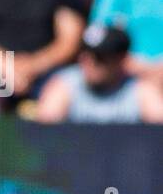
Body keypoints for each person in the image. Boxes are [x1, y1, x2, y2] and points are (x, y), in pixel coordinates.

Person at [35, 23, 163, 122]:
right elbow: (45, 132)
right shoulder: (65, 84)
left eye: (99, 57)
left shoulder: (139, 90)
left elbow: (158, 128)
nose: (89, 63)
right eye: (85, 54)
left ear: (121, 59)